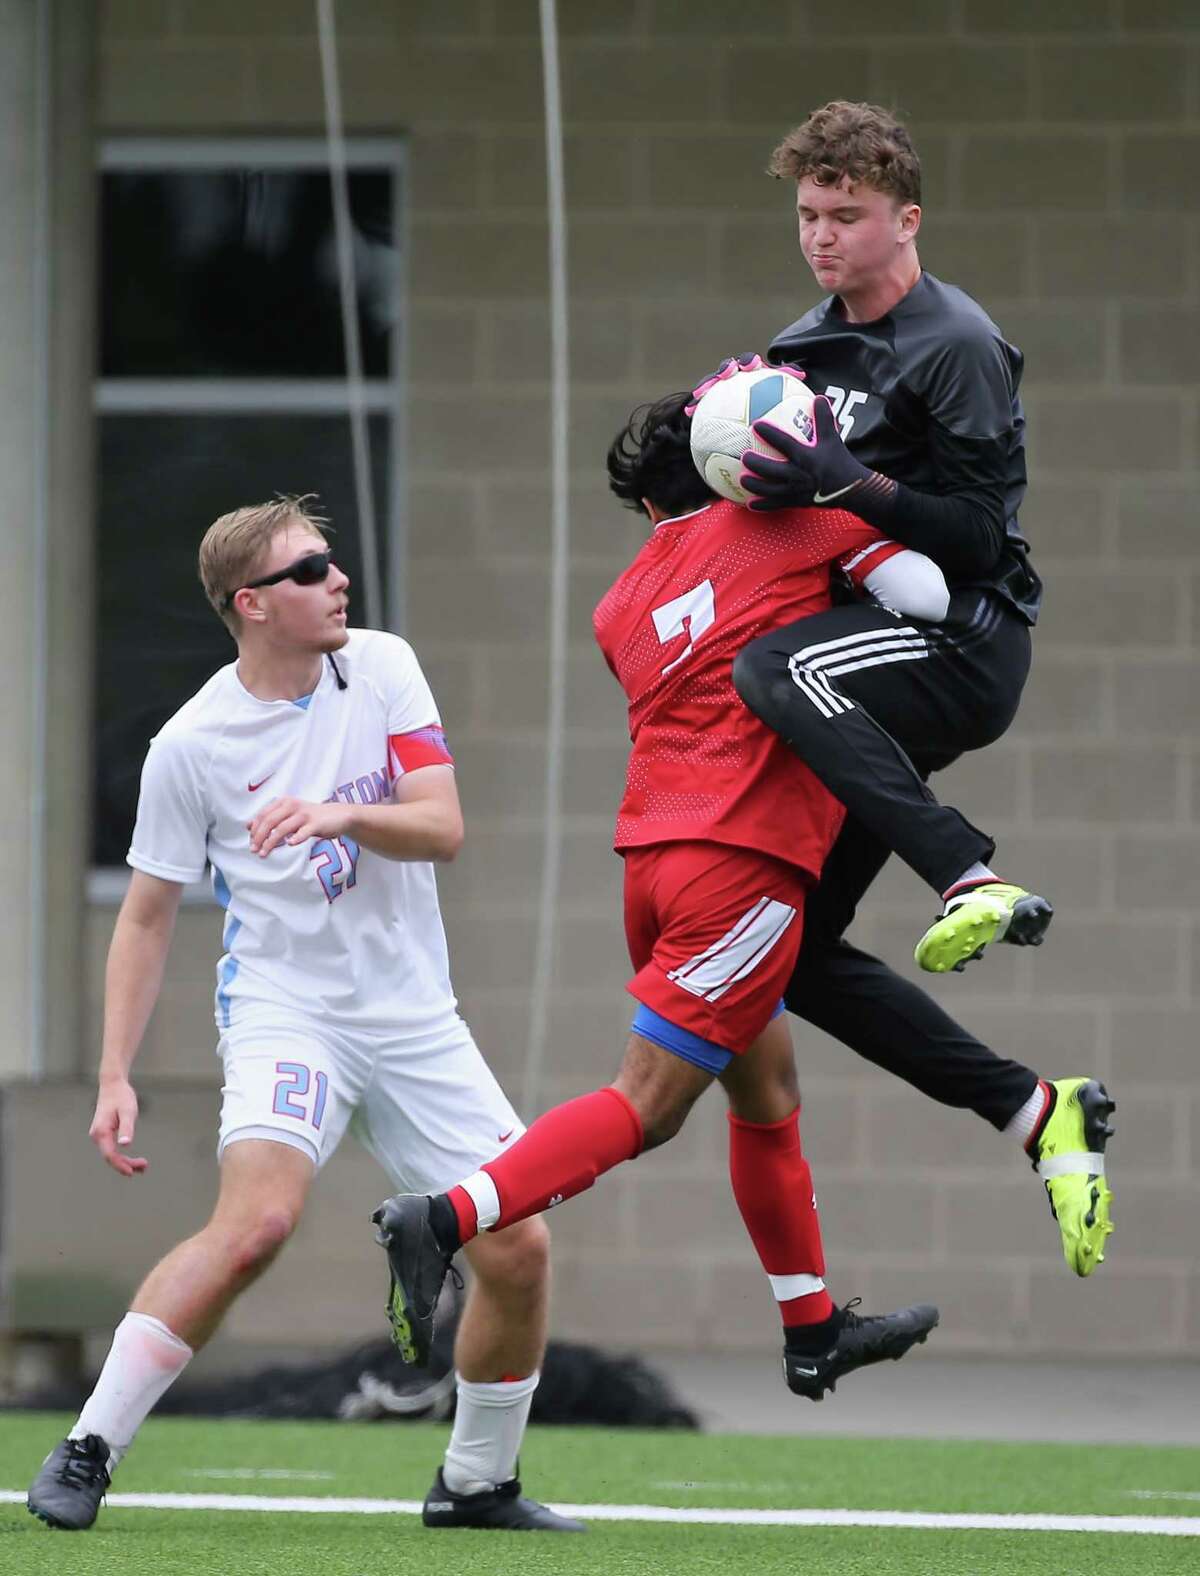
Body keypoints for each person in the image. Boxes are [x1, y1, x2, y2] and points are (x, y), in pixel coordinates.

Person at [373, 392, 946, 1405]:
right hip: (746, 861)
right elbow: (930, 596)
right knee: (649, 1105)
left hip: (653, 863)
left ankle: (813, 1330)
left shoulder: (621, 601)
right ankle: (449, 1217)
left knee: (765, 1090)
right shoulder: (799, 520)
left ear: (648, 506)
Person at [27, 497, 583, 1536]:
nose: (339, 580)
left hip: (415, 1018)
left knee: (520, 1248)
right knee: (256, 1228)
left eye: (333, 563)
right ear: (252, 604)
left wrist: (340, 811)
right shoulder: (189, 744)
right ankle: (88, 1446)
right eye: (312, 568)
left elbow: (443, 827)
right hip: (290, 1015)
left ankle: (475, 1483)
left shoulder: (381, 666)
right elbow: (145, 918)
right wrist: (114, 1071)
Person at [715, 102, 1114, 1274]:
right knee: (793, 950)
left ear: (907, 218)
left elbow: (983, 543)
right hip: (869, 659)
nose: (823, 237)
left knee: (773, 666)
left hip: (966, 643)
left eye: (847, 215)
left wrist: (853, 487)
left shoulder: (959, 344)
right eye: (807, 215)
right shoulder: (797, 349)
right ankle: (1039, 1113)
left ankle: (967, 873)